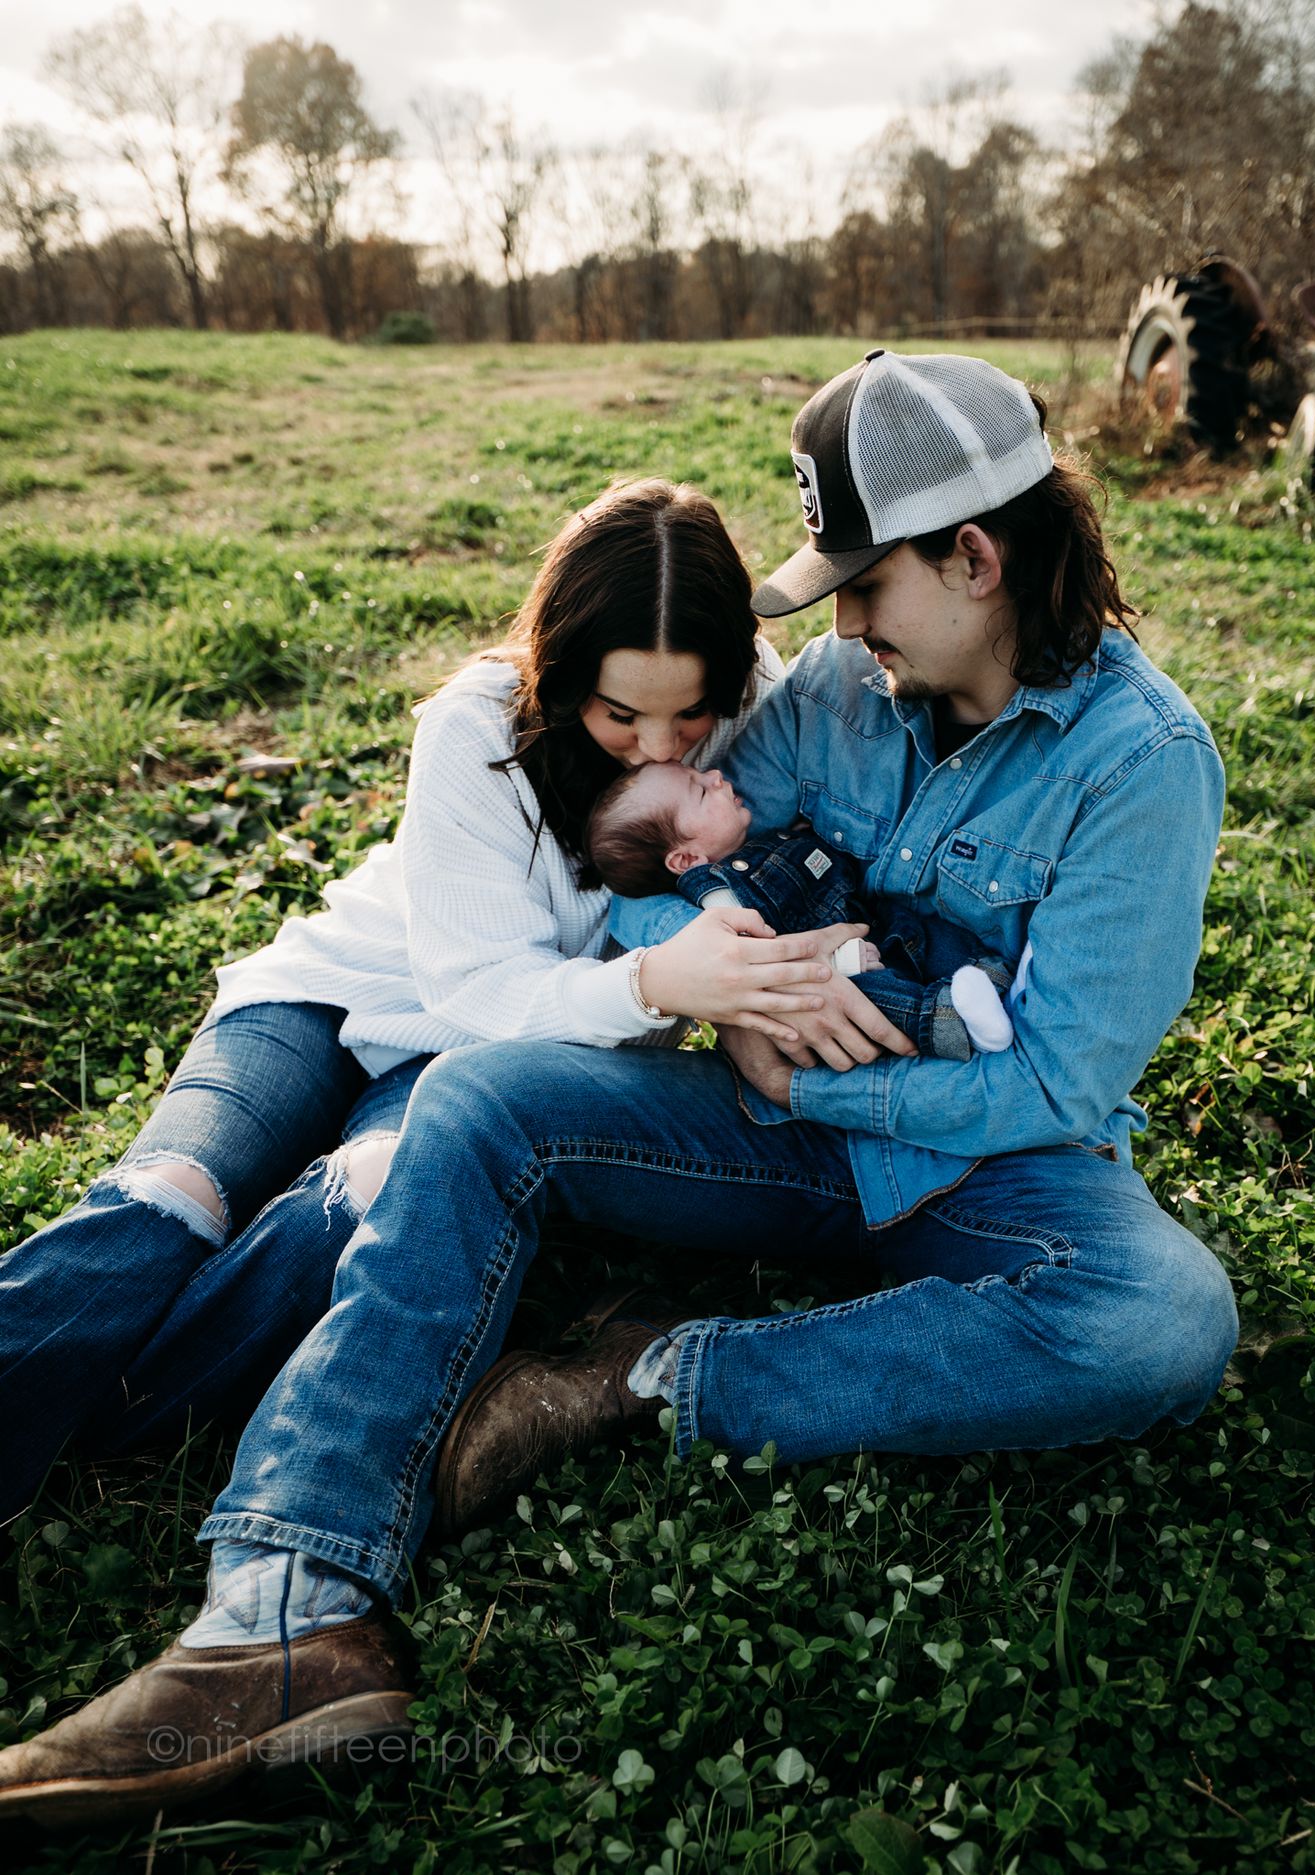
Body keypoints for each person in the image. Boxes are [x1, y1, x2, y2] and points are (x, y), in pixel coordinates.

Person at [0, 354, 1239, 1826]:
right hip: (754, 1114)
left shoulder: (1144, 764)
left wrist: (809, 1072)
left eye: (861, 584)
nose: (840, 625)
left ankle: (641, 1368)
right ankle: (283, 1606)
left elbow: (1057, 1075)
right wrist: (721, 986)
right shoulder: (842, 690)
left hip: (987, 1150)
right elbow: (656, 876)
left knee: (1165, 1317)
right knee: (475, 1100)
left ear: (973, 558)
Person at [0, 477, 840, 1520]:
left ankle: (83, 1414)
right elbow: (472, 983)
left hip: (459, 1074)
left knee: (362, 1194)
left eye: (690, 714)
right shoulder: (476, 726)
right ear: (564, 666)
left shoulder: (758, 704)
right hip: (332, 996)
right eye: (622, 713)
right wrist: (650, 985)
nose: (663, 747)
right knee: (176, 1195)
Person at [586, 756, 1023, 1057]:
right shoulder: (718, 895)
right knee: (865, 1004)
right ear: (686, 860)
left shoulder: (766, 838)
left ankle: (989, 976)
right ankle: (948, 1023)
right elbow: (765, 950)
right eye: (700, 791)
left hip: (873, 922)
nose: (716, 775)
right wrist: (840, 959)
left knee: (925, 935)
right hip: (840, 969)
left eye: (703, 775)